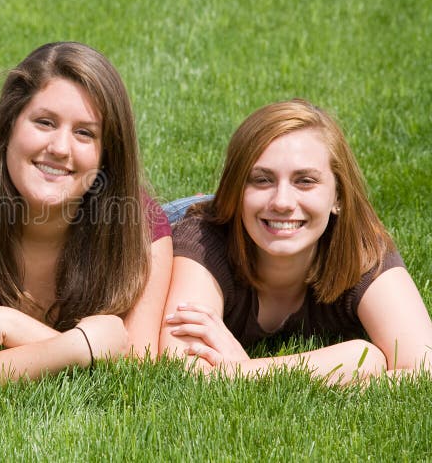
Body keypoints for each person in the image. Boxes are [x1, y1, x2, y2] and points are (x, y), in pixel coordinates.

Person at [0, 42, 173, 379]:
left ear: (108, 154)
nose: (59, 148)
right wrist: (82, 346)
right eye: (44, 122)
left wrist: (4, 322)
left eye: (85, 133)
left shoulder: (141, 225)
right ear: (8, 124)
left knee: (186, 214)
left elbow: (137, 366)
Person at [160, 99, 432, 383]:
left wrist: (244, 371)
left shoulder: (360, 249)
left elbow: (424, 369)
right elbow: (181, 367)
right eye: (262, 180)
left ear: (338, 196)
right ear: (236, 191)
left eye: (305, 181)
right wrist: (358, 361)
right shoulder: (202, 241)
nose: (282, 202)